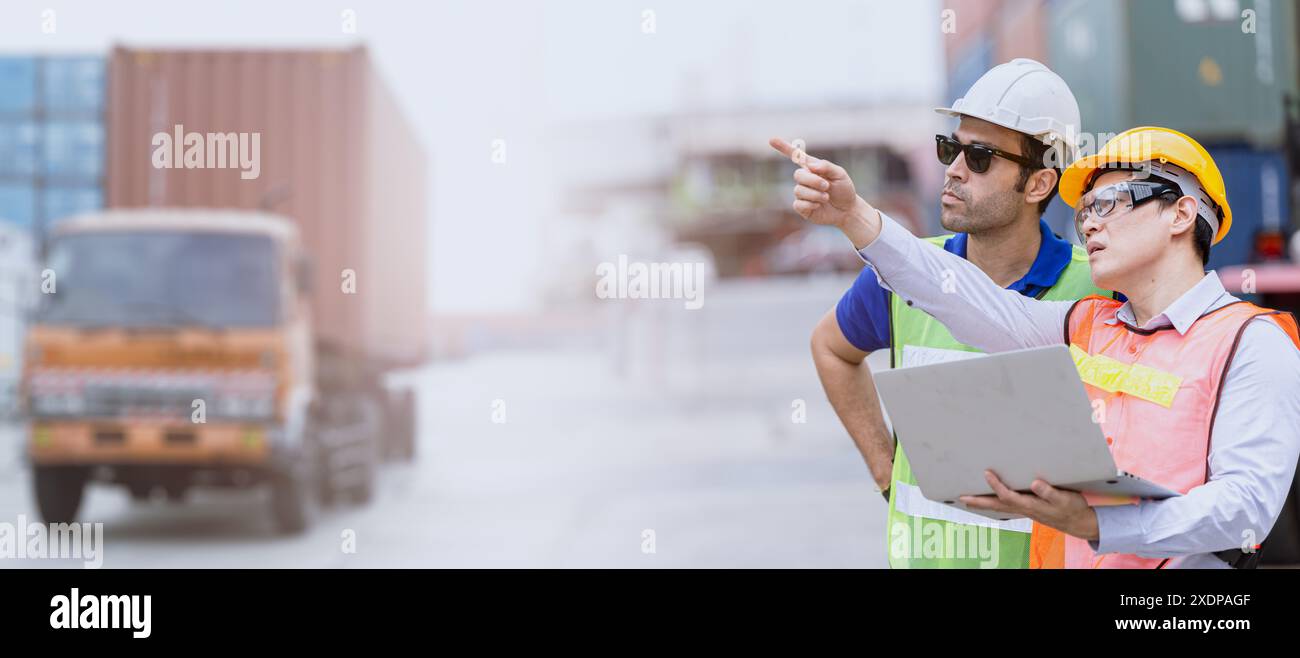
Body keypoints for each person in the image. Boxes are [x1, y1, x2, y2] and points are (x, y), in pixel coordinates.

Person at [774, 125, 1300, 568]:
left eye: (1111, 202)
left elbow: (1246, 506)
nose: (1090, 220)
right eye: (1084, 210)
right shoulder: (1087, 324)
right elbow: (962, 300)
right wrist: (855, 217)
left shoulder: (1252, 342)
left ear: (1181, 215)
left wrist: (1102, 523)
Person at [783, 58, 1108, 568]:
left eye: (979, 157)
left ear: (1039, 184)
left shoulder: (1099, 290)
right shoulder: (901, 274)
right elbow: (830, 348)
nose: (953, 169)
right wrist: (884, 470)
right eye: (950, 147)